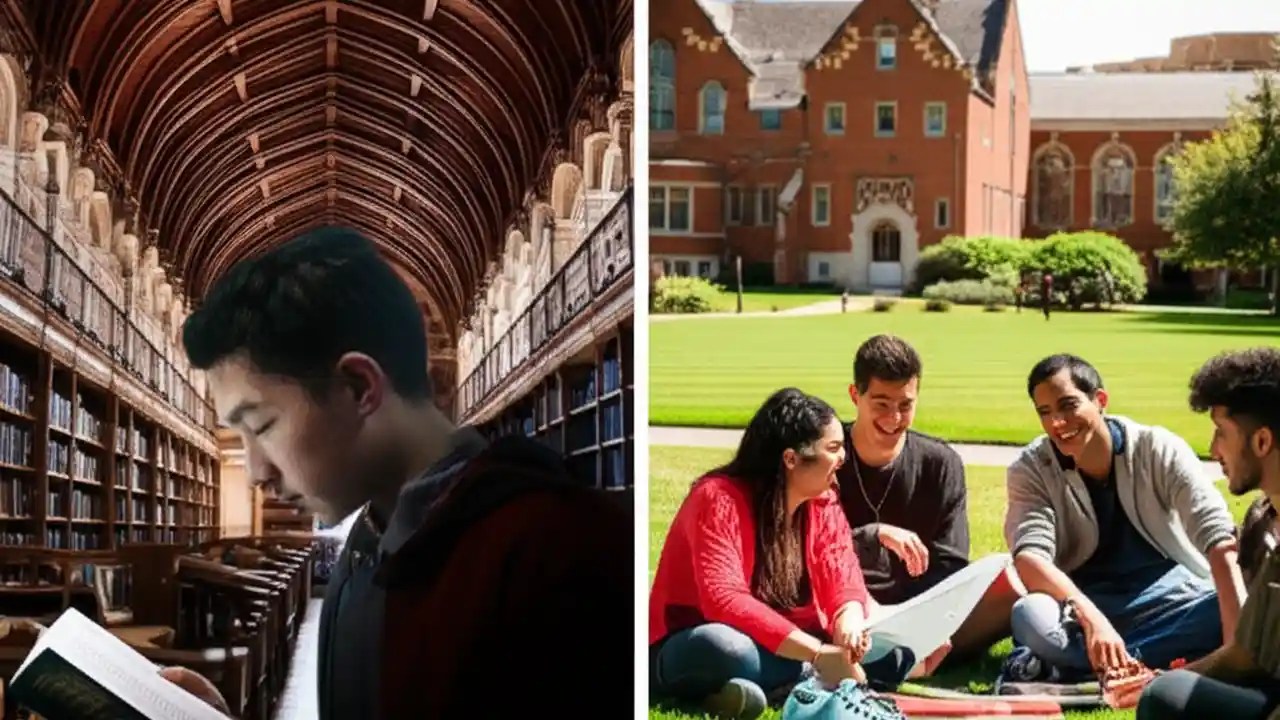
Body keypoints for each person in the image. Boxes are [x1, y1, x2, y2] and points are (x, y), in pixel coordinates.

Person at [164, 227, 632, 718]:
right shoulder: (368, 548)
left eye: (261, 424)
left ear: (357, 386)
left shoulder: (562, 557)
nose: (256, 471)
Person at [649, 388, 914, 720]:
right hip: (700, 639)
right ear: (791, 459)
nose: (843, 457)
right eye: (833, 448)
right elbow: (724, 601)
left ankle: (748, 692)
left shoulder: (823, 500)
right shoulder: (717, 499)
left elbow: (842, 574)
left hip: (787, 642)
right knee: (727, 650)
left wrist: (847, 624)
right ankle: (809, 677)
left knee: (895, 652)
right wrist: (818, 654)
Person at [1003, 353, 1245, 684]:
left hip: (1173, 601)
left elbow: (1217, 536)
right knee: (1028, 614)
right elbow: (1030, 557)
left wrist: (1237, 646)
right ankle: (1135, 663)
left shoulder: (1158, 448)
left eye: (1068, 405)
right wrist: (1093, 620)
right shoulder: (1031, 468)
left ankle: (1080, 667)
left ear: (1100, 400)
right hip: (1083, 608)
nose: (1058, 422)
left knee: (1241, 602)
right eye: (1045, 413)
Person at [837, 334, 1021, 672]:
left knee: (1014, 582)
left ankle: (901, 655)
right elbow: (803, 551)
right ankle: (902, 659)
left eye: (905, 405)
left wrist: (914, 616)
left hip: (921, 610)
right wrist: (872, 536)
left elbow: (950, 565)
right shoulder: (827, 456)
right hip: (842, 608)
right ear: (855, 395)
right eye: (881, 403)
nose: (894, 418)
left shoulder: (940, 462)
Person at [1137, 348, 1280, 719]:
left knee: (1166, 697)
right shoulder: (1265, 521)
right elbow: (1247, 653)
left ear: (1262, 441)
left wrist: (1163, 683)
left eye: (1221, 433)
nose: (1213, 449)